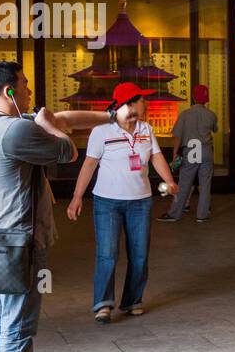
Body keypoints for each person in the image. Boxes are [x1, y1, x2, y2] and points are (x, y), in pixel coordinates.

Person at [0, 60, 129, 352]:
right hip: (22, 240)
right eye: (24, 85)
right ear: (9, 90)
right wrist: (48, 126)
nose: (29, 90)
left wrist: (111, 117)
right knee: (19, 325)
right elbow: (68, 150)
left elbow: (61, 118)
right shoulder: (15, 133)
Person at [67, 82, 178, 324]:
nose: (146, 104)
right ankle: (103, 304)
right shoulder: (101, 131)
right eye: (142, 100)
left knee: (139, 255)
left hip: (141, 202)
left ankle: (132, 300)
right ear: (129, 104)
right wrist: (77, 197)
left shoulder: (146, 129)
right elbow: (89, 164)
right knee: (107, 254)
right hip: (107, 203)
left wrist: (169, 181)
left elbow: (157, 157)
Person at [158, 84, 217, 223]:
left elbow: (178, 136)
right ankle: (202, 215)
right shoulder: (211, 115)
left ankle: (174, 213)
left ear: (193, 98)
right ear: (206, 99)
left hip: (191, 152)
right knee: (205, 184)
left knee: (184, 183)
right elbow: (215, 129)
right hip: (206, 151)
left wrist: (175, 153)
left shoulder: (185, 115)